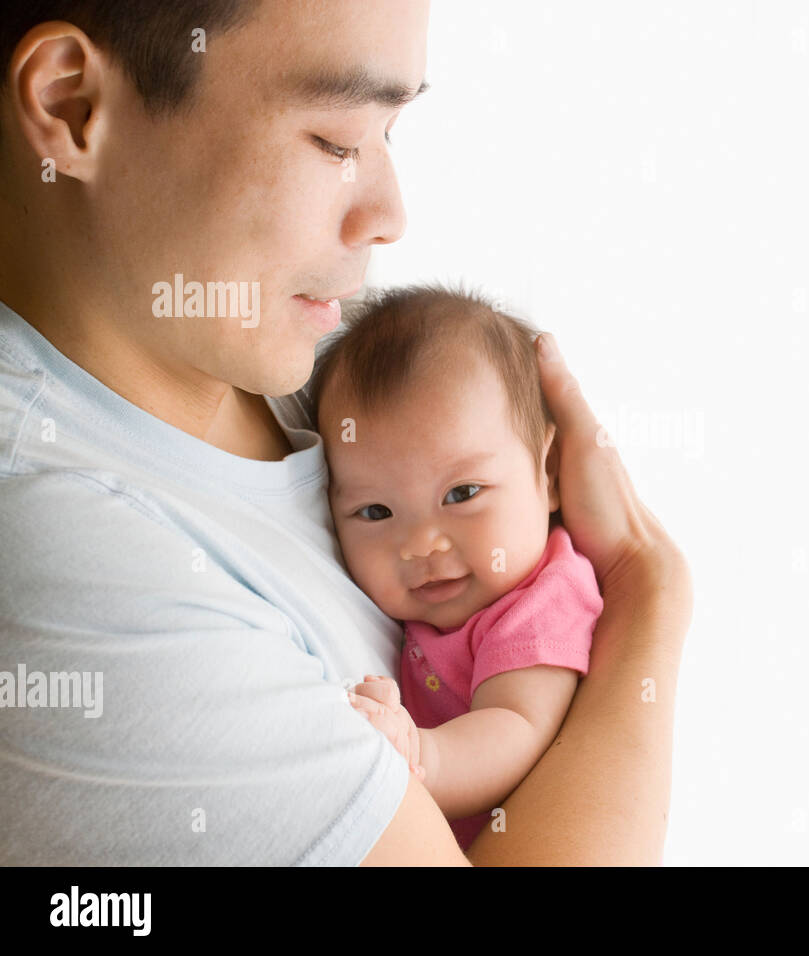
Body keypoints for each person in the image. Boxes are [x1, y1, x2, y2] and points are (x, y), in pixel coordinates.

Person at [0, 0, 691, 865]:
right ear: (72, 106)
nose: (391, 213)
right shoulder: (72, 564)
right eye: (336, 141)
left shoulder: (302, 363)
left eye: (392, 133)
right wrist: (646, 587)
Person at [315, 285, 604, 853]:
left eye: (462, 493)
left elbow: (516, 727)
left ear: (547, 472)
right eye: (375, 511)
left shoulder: (545, 597)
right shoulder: (423, 603)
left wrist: (420, 755)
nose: (420, 543)